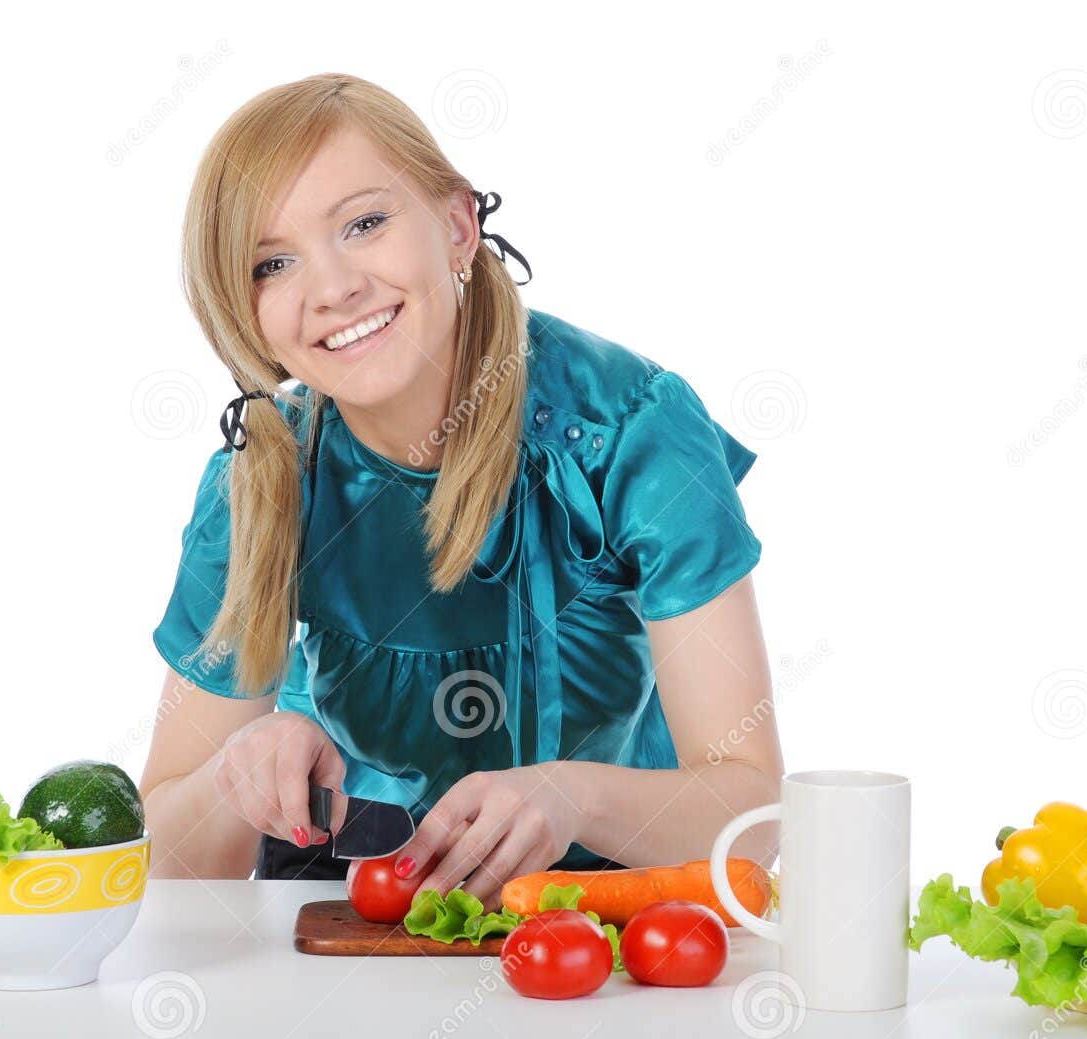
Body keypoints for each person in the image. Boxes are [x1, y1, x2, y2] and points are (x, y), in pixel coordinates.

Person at [140, 73, 782, 910]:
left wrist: (570, 794)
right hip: (350, 900)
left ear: (456, 225)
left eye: (363, 223)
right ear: (244, 310)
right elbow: (164, 863)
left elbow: (757, 813)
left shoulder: (630, 429)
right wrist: (238, 775)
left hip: (613, 906)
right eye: (273, 263)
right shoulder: (260, 476)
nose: (332, 287)